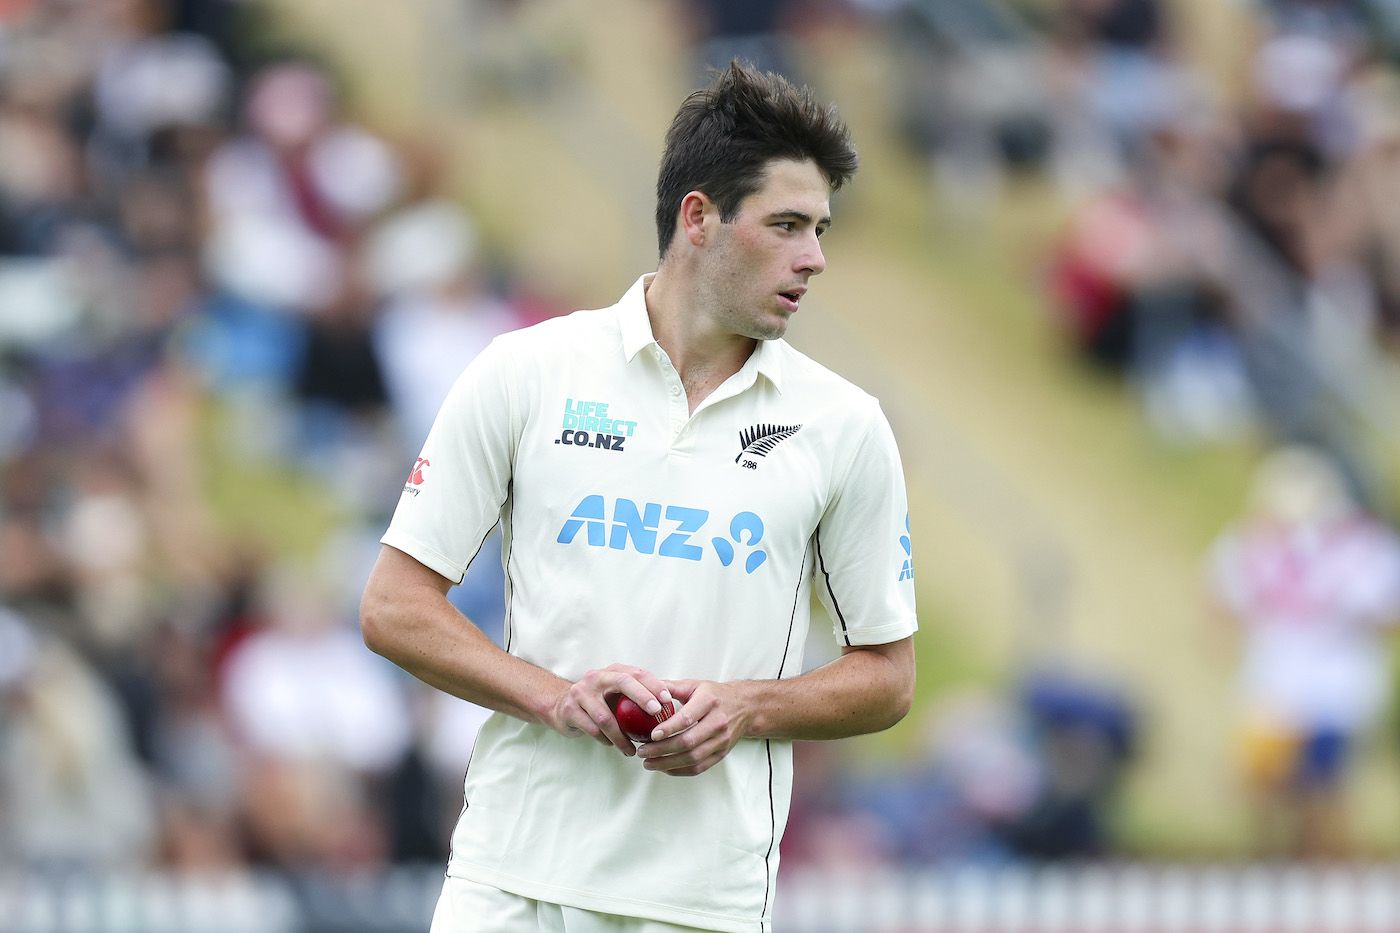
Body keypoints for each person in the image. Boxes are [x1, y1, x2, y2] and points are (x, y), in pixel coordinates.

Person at [361, 60, 918, 932]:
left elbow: (887, 677)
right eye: (786, 225)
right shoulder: (527, 372)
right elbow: (394, 606)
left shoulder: (844, 425)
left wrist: (743, 707)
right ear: (699, 218)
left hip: (702, 903)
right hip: (513, 883)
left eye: (819, 229)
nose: (814, 258)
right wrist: (554, 695)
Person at [1209, 445, 1400, 858]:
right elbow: (1221, 605)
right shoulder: (1250, 544)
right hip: (1274, 687)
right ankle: (1279, 879)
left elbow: (1387, 614)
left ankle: (1321, 880)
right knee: (1265, 788)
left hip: (1337, 690)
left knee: (1323, 793)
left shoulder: (1361, 547)